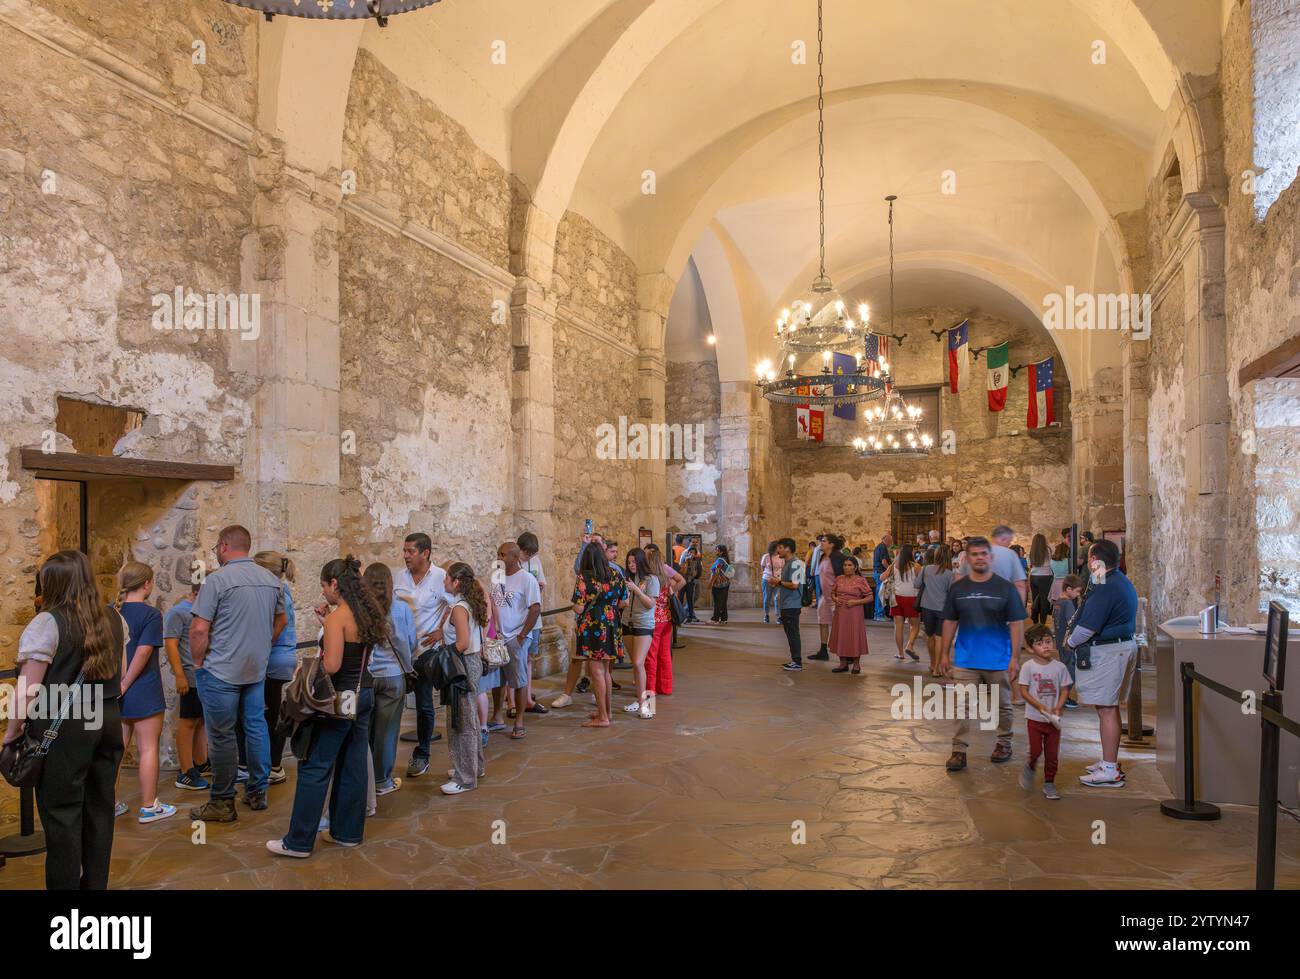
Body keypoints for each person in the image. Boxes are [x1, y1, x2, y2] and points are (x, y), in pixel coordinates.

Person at [3, 551, 125, 889]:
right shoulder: (115, 618)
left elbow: (27, 692)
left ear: (52, 582)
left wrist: (11, 735)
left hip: (63, 723)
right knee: (100, 808)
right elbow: (122, 674)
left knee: (62, 815)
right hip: (107, 716)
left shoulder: (47, 622)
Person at [268, 556, 387, 856]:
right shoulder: (366, 614)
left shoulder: (338, 619)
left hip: (339, 699)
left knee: (315, 765)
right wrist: (327, 627)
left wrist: (309, 665)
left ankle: (297, 842)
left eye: (323, 585)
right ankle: (347, 833)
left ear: (335, 584)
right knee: (353, 763)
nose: (323, 592)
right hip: (364, 693)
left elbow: (332, 665)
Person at [189, 525, 287, 823]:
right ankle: (258, 793)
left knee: (221, 736)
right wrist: (263, 643)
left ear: (223, 547)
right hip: (255, 669)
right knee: (256, 728)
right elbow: (281, 618)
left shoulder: (217, 581)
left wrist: (197, 663)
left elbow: (199, 628)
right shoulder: (271, 580)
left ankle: (222, 801)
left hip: (220, 670)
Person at [940, 537, 1027, 772]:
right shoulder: (959, 588)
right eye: (974, 554)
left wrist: (1015, 658)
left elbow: (1016, 624)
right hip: (966, 659)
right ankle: (959, 750)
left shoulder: (1005, 587)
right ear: (967, 559)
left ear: (990, 557)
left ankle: (1003, 743)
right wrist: (944, 653)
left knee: (1002, 705)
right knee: (962, 706)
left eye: (983, 554)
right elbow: (950, 620)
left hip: (998, 659)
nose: (979, 558)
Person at [1065, 539, 1138, 788]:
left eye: (1089, 559)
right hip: (1115, 650)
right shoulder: (1114, 580)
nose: (1087, 564)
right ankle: (1108, 761)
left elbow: (1088, 627)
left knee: (1107, 709)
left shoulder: (1106, 586)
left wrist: (1071, 643)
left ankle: (1109, 770)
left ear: (1097, 561)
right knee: (1107, 707)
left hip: (1109, 652)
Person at [115, 561, 175, 824]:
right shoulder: (151, 615)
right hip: (142, 688)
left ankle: (110, 803)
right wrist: (127, 682)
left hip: (113, 691)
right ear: (147, 584)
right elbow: (143, 652)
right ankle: (149, 806)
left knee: (114, 751)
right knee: (148, 749)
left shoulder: (110, 612)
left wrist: (117, 684)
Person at [395, 532, 447, 779]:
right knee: (393, 702)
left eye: (410, 551)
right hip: (400, 653)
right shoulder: (399, 577)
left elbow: (455, 603)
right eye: (404, 551)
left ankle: (422, 753)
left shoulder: (440, 578)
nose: (405, 556)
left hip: (426, 653)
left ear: (425, 553)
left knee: (425, 705)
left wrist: (441, 630)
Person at [363, 562, 416, 795]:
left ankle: (362, 778)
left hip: (367, 676)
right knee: (387, 731)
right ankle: (382, 780)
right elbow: (408, 642)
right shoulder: (401, 609)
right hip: (393, 675)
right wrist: (406, 666)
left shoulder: (361, 609)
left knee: (364, 730)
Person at [439, 562, 490, 794]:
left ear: (456, 582)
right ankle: (474, 766)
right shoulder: (470, 603)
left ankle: (465, 777)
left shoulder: (460, 608)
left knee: (462, 722)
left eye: (447, 578)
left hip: (462, 664)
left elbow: (462, 643)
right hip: (471, 663)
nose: (444, 581)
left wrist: (440, 656)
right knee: (470, 719)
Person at [248, 551, 297, 786]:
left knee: (270, 716)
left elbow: (278, 624)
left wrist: (261, 644)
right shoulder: (280, 590)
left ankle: (274, 766)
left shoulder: (276, 592)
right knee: (270, 713)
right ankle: (269, 764)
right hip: (280, 658)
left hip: (275, 659)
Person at [570, 541, 627, 727]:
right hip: (612, 624)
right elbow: (623, 602)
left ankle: (602, 717)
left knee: (596, 673)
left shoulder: (584, 577)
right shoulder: (616, 574)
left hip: (593, 626)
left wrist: (585, 606)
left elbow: (578, 608)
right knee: (606, 672)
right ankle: (607, 711)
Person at [488, 542, 542, 739]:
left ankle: (519, 721)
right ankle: (497, 716)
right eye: (497, 553)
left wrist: (521, 636)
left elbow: (535, 608)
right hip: (498, 636)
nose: (499, 557)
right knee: (497, 679)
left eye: (502, 554)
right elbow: (492, 601)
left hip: (516, 636)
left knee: (517, 680)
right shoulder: (497, 574)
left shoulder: (526, 579)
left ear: (514, 557)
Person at [1017, 624, 1072, 800]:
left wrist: (1058, 706)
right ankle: (1030, 766)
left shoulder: (1060, 667)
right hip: (1034, 718)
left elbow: (1064, 689)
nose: (1046, 646)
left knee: (1052, 754)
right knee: (1035, 751)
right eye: (1040, 643)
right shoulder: (1028, 667)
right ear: (1031, 648)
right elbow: (1023, 691)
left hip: (1053, 720)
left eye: (1048, 641)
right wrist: (1039, 706)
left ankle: (1049, 782)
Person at [163, 579, 209, 791]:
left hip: (205, 676)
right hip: (189, 677)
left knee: (200, 721)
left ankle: (200, 763)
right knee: (188, 722)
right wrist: (180, 675)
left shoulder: (203, 611)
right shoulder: (179, 612)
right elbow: (171, 644)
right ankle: (185, 772)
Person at [513, 531, 549, 718]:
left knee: (528, 660)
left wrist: (539, 585)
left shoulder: (535, 562)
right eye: (526, 553)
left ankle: (527, 698)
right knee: (512, 661)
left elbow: (542, 582)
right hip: (516, 621)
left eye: (531, 555)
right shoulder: (509, 564)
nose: (528, 557)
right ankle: (511, 702)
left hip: (533, 620)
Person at [642, 543, 684, 706]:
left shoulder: (649, 579)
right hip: (667, 620)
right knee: (665, 654)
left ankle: (650, 688)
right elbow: (677, 586)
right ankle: (666, 687)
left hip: (652, 621)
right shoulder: (666, 580)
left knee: (650, 657)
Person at [623, 547, 660, 718]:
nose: (631, 565)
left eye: (634, 562)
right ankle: (639, 701)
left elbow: (650, 604)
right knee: (635, 665)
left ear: (640, 561)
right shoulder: (627, 579)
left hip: (644, 624)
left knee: (639, 663)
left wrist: (636, 590)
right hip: (627, 623)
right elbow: (621, 604)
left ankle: (646, 706)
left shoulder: (651, 579)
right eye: (629, 562)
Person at [828, 555, 871, 674]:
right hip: (840, 612)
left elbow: (870, 597)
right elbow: (832, 593)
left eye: (850, 565)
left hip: (854, 612)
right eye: (845, 565)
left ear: (855, 567)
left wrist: (856, 602)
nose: (847, 567)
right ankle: (843, 664)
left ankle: (856, 664)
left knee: (854, 635)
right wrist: (835, 599)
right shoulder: (839, 578)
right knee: (841, 635)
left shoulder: (860, 580)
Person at [918, 545, 954, 678]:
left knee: (929, 636)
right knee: (939, 637)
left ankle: (933, 663)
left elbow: (916, 584)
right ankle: (937, 668)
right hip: (943, 608)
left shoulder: (926, 569)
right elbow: (952, 591)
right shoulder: (950, 574)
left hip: (927, 606)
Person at [883, 545, 921, 662]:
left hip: (897, 598)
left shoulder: (894, 565)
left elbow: (882, 577)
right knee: (915, 625)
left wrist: (892, 564)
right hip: (912, 598)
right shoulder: (916, 566)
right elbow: (921, 582)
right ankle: (909, 646)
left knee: (898, 626)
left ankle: (900, 653)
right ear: (911, 553)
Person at [1053, 574, 1084, 709]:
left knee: (1066, 667)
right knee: (1071, 671)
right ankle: (1063, 696)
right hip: (1068, 642)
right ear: (1069, 589)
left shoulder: (1058, 602)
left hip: (1060, 641)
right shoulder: (1068, 604)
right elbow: (1072, 622)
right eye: (1077, 591)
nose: (1078, 595)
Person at [811, 534, 844, 661]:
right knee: (823, 622)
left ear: (831, 544)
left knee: (842, 626)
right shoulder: (823, 557)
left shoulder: (838, 558)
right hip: (825, 597)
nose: (821, 543)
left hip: (836, 597)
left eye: (824, 541)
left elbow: (842, 577)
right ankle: (823, 651)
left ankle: (847, 654)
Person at [777, 539, 807, 671]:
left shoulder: (796, 563)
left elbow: (794, 585)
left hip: (792, 604)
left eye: (780, 547)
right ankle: (795, 660)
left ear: (788, 549)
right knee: (790, 633)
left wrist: (778, 582)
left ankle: (797, 662)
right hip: (787, 603)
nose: (778, 550)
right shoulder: (789, 563)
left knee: (793, 633)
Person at [1027, 534, 1054, 626]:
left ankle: (1035, 623)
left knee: (1035, 600)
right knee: (1044, 601)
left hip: (1034, 577)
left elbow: (1029, 564)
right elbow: (1051, 563)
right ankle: (1042, 624)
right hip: (1046, 577)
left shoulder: (1032, 550)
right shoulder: (1048, 550)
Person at [708, 544, 733, 623]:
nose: (715, 551)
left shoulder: (720, 560)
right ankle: (724, 618)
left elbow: (716, 572)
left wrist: (710, 583)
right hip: (725, 584)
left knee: (717, 602)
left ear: (721, 552)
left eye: (717, 550)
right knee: (723, 602)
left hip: (718, 585)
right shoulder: (725, 559)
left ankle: (715, 619)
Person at [871, 533, 892, 620]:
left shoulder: (878, 547)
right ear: (886, 540)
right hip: (881, 573)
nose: (891, 543)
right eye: (890, 541)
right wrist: (890, 570)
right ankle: (879, 615)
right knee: (881, 593)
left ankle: (877, 614)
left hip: (878, 572)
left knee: (879, 593)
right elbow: (884, 562)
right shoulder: (883, 547)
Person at [760, 540, 781, 624]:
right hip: (767, 579)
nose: (779, 549)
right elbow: (762, 567)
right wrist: (768, 576)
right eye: (778, 547)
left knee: (777, 598)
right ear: (773, 548)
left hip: (778, 580)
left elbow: (783, 568)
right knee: (767, 598)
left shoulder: (781, 557)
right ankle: (766, 615)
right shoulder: (766, 556)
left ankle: (778, 616)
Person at [681, 545, 702, 623]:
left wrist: (695, 573)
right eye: (690, 552)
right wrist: (686, 562)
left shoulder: (697, 561)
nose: (691, 554)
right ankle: (680, 616)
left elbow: (697, 573)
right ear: (688, 553)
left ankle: (690, 616)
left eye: (693, 553)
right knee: (680, 598)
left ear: (695, 554)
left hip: (690, 582)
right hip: (683, 582)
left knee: (690, 599)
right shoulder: (684, 559)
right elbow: (682, 571)